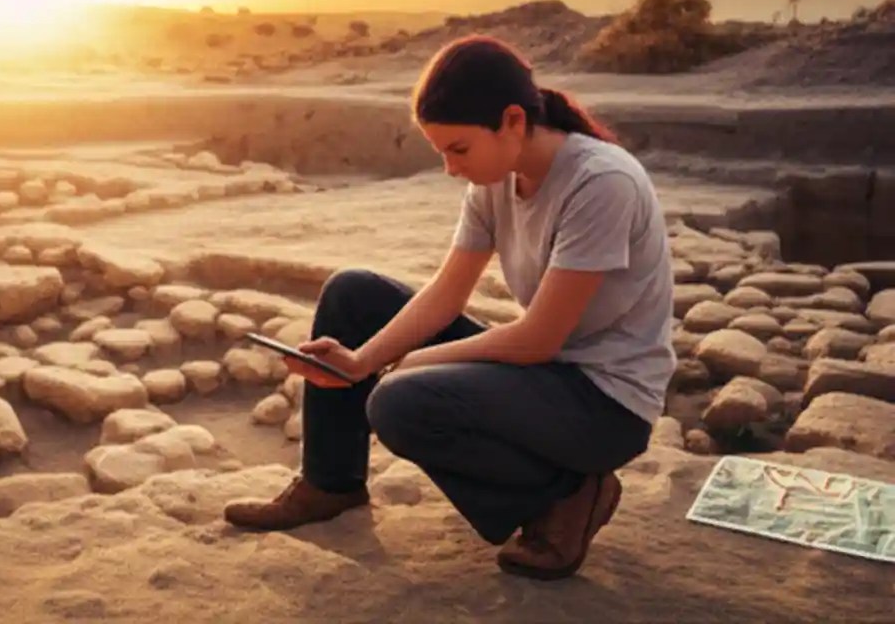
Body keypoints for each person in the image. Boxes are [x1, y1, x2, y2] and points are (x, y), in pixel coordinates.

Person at [222, 34, 676, 581]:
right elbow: (446, 293)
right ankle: (330, 482)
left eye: (458, 149)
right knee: (353, 294)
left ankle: (567, 495)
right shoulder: (496, 176)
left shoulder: (602, 182)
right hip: (546, 378)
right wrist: (361, 360)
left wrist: (410, 365)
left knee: (399, 403)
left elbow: (538, 339)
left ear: (512, 121)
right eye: (441, 152)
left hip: (604, 404)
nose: (449, 168)